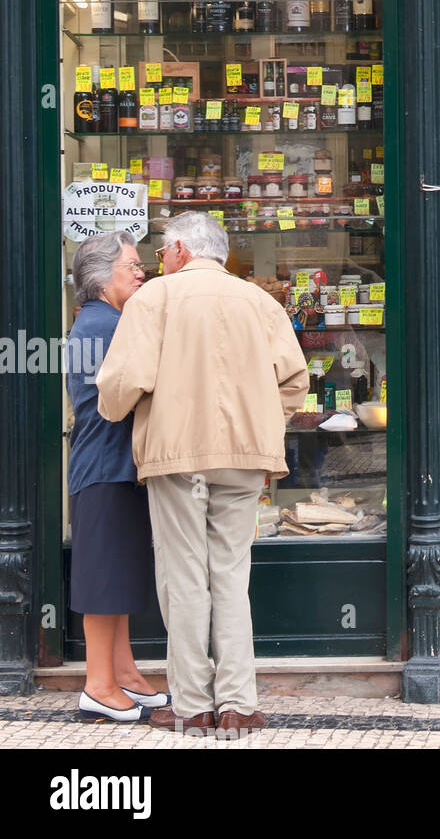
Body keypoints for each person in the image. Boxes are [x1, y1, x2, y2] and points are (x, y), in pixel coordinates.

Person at [97, 211, 308, 737]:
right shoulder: (259, 302)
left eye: (163, 251)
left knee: (185, 579)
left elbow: (122, 384)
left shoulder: (154, 300)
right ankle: (238, 703)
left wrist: (115, 410)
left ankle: (192, 705)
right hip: (243, 459)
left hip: (178, 457)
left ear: (183, 251)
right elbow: (295, 382)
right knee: (232, 579)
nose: (158, 260)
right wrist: (260, 420)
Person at [66, 231, 169, 724]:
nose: (140, 270)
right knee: (104, 578)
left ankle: (124, 671)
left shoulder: (103, 321)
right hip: (105, 467)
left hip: (111, 466)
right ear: (102, 275)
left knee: (118, 574)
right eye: (131, 265)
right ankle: (97, 684)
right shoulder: (105, 325)